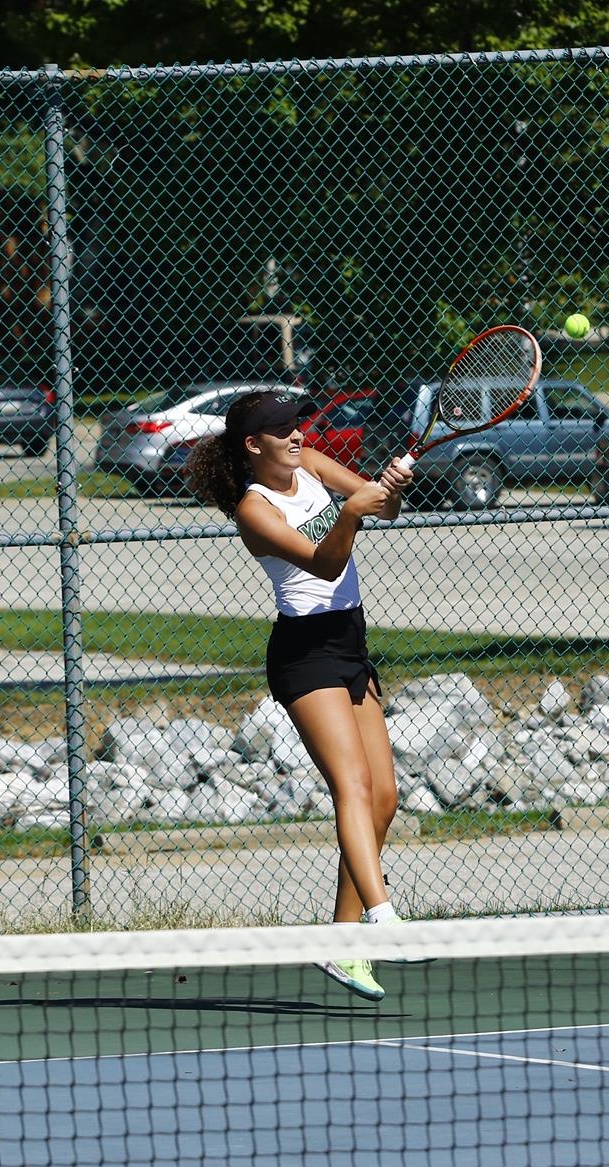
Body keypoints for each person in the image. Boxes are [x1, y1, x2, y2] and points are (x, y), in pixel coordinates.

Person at [185, 389, 417, 1001]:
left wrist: (388, 488)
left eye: (297, 427)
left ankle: (340, 947)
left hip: (350, 642)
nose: (297, 436)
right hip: (304, 653)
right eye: (283, 431)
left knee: (384, 798)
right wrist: (351, 514)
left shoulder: (312, 465)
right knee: (353, 786)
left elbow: (383, 509)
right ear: (253, 445)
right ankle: (380, 916)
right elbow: (324, 566)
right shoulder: (253, 510)